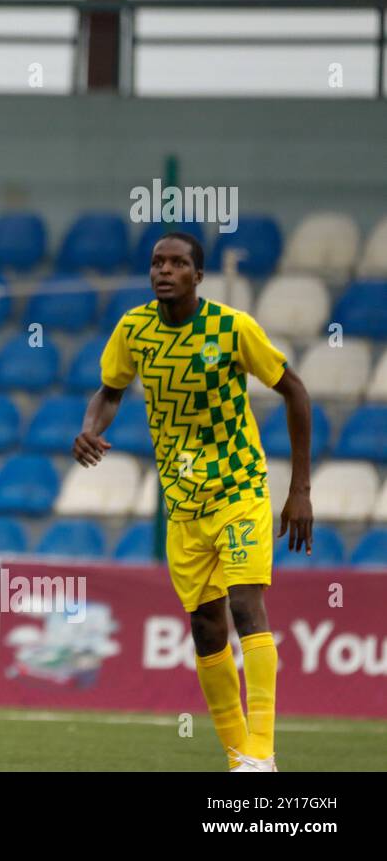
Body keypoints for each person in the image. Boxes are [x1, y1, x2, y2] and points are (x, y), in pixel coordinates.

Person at [74, 231, 314, 772]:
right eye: (157, 262)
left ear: (198, 276)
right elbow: (110, 389)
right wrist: (90, 427)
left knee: (245, 606)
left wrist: (299, 490)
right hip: (183, 505)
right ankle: (238, 761)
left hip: (240, 491)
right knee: (205, 627)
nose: (164, 271)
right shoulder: (134, 329)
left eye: (178, 263)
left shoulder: (232, 329)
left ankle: (261, 753)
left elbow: (295, 389)